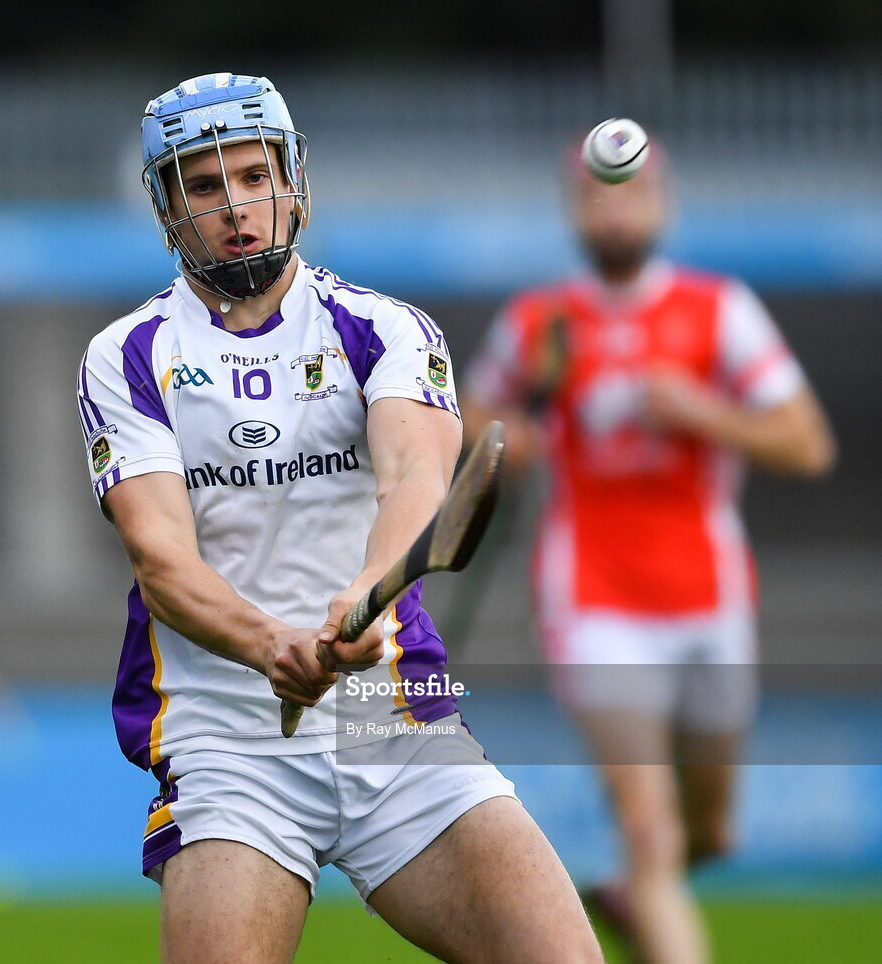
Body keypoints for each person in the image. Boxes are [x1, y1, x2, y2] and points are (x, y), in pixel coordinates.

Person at [76, 72, 602, 963]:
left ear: (294, 182)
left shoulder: (384, 329)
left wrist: (369, 590)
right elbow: (160, 558)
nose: (237, 205)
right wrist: (269, 644)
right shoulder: (127, 355)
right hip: (227, 738)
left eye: (253, 174)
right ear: (167, 208)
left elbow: (418, 479)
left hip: (390, 717)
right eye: (204, 186)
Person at [460, 140, 836, 964]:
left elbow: (806, 444)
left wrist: (703, 412)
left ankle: (632, 891)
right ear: (573, 208)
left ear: (661, 204)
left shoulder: (719, 309)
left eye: (631, 195)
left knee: (709, 830)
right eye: (596, 196)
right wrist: (506, 440)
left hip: (709, 595)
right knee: (652, 829)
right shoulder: (538, 321)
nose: (615, 211)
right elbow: (468, 417)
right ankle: (648, 877)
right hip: (593, 598)